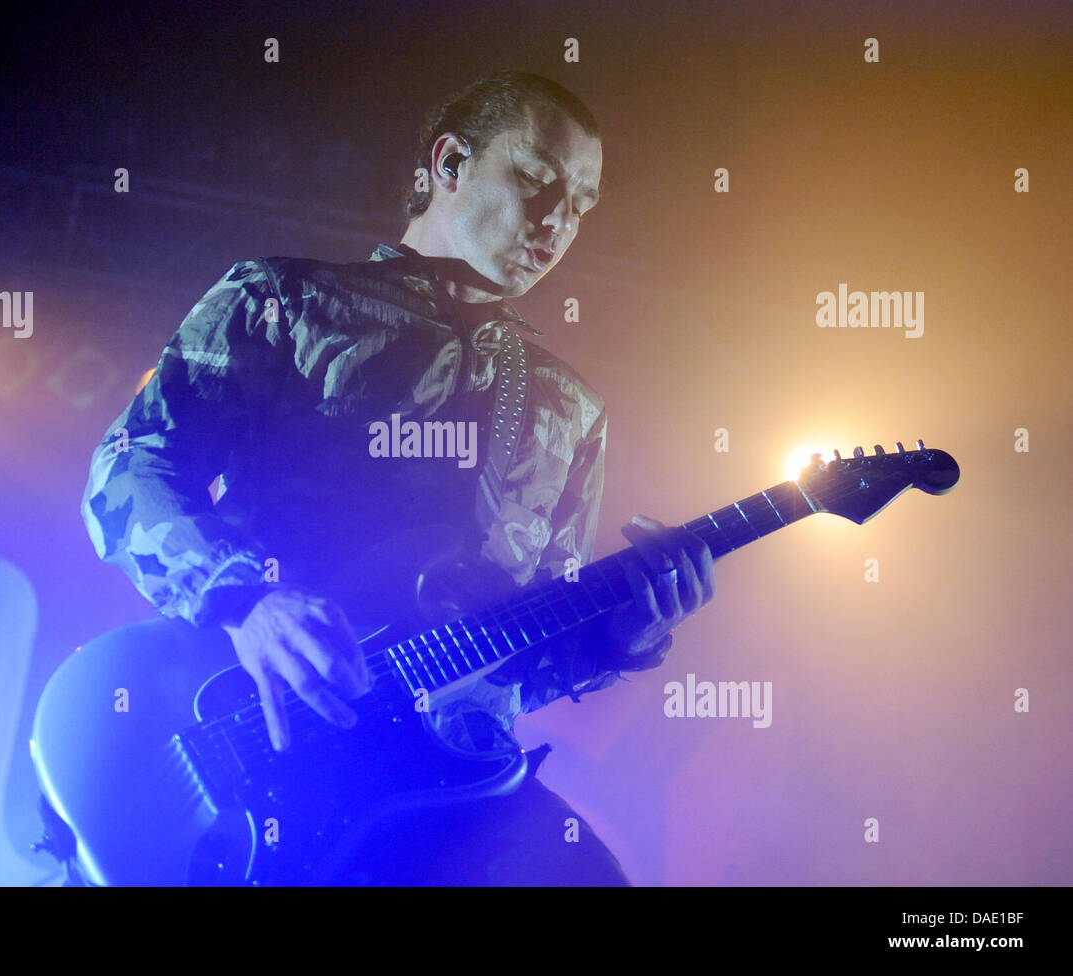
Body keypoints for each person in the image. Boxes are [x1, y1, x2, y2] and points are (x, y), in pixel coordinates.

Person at [82, 71, 715, 884]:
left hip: (434, 791)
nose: (559, 221)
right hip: (254, 740)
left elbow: (523, 664)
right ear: (451, 162)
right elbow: (129, 467)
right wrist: (243, 601)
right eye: (535, 179)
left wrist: (622, 637)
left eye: (583, 206)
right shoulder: (287, 300)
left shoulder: (573, 410)